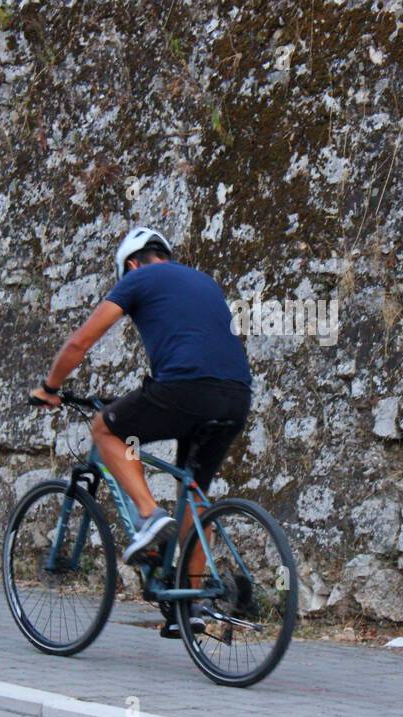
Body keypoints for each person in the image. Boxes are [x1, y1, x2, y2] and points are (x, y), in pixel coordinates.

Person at [29, 227, 253, 637]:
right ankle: (193, 603)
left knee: (106, 429)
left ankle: (149, 516)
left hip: (186, 386)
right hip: (236, 395)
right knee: (195, 492)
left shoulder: (138, 278)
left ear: (131, 264)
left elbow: (80, 343)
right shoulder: (204, 281)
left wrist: (51, 388)